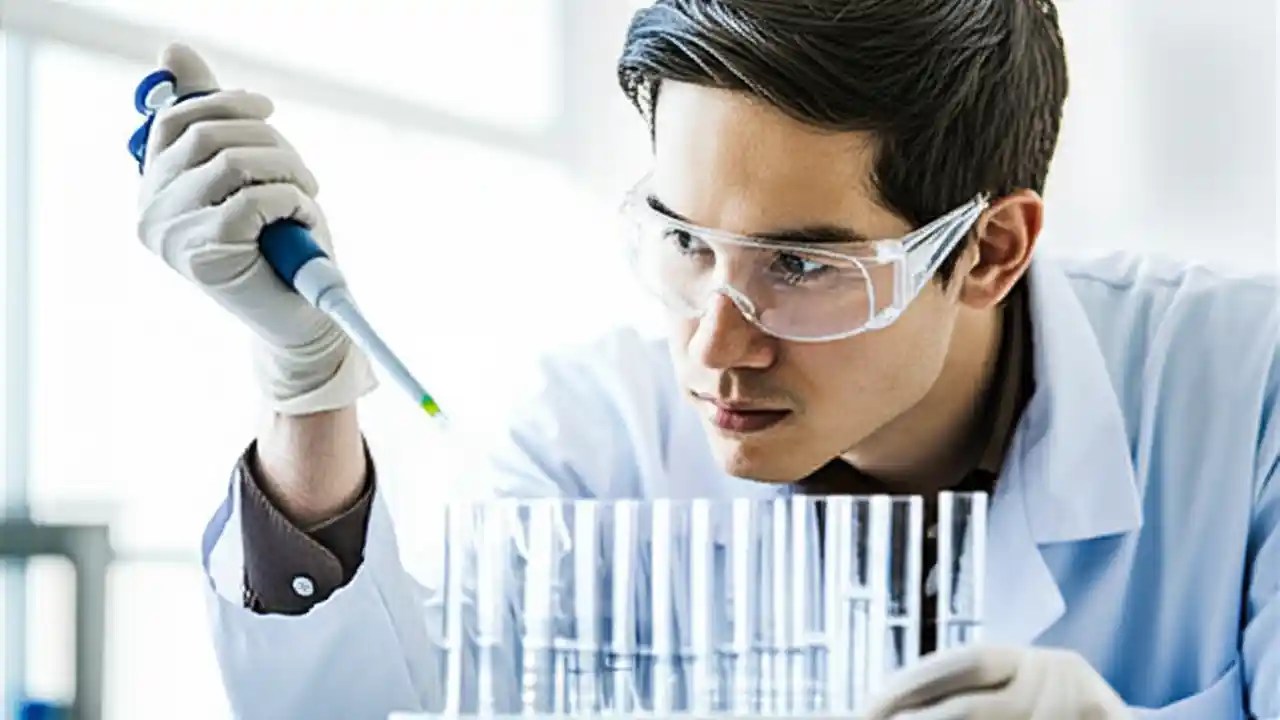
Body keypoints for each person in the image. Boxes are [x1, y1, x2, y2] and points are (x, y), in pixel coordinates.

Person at [134, 1, 1278, 718]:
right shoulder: (595, 437)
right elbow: (377, 713)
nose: (713, 346)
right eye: (685, 241)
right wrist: (306, 387)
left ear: (987, 250)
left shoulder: (1244, 391)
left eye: (799, 265)